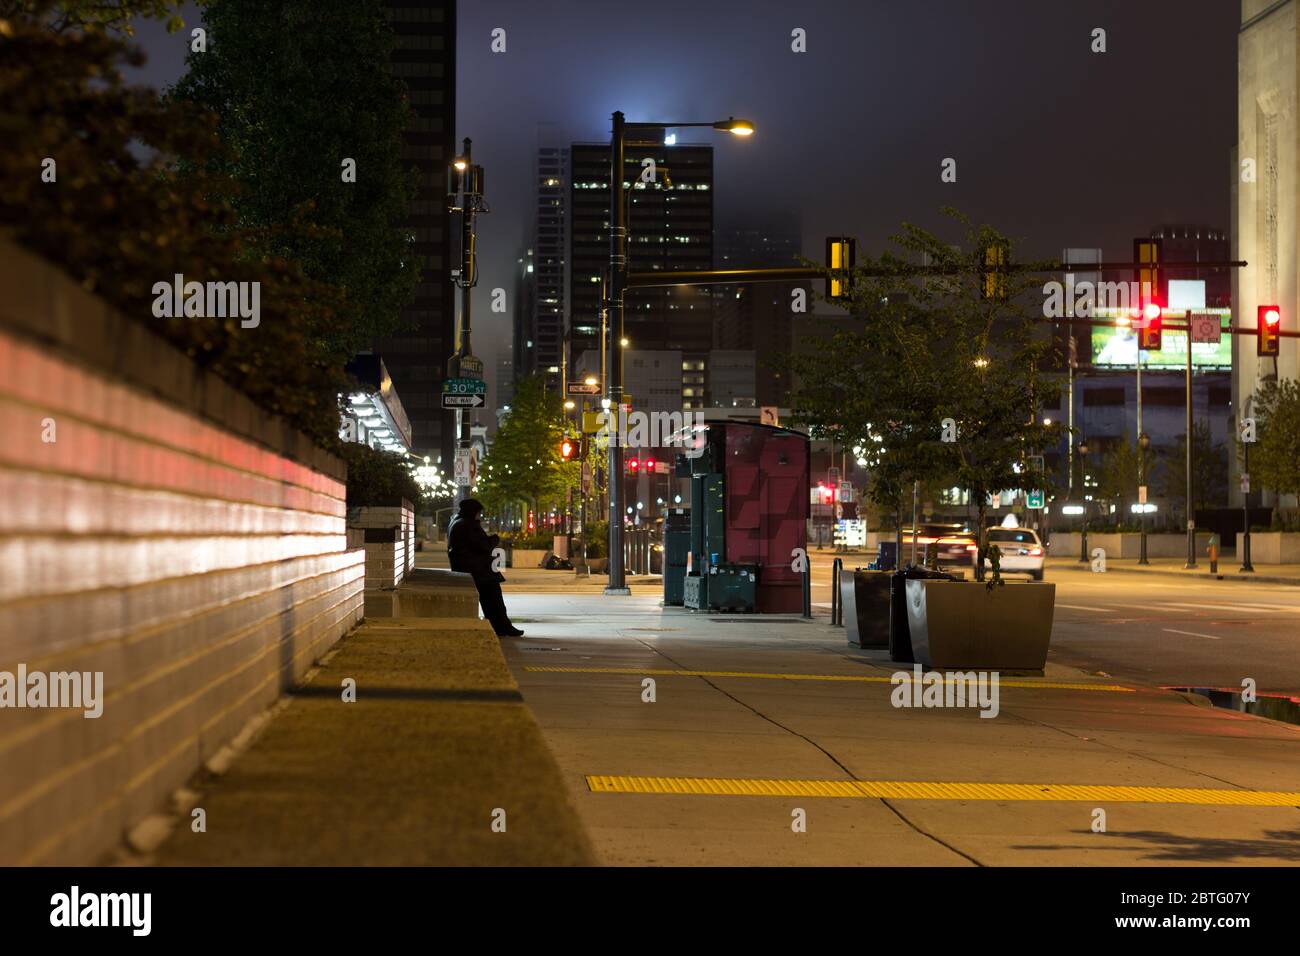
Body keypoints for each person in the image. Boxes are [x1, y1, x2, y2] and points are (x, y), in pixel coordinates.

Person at [447, 498, 524, 637]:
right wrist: (495, 539)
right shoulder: (469, 525)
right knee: (494, 597)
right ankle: (502, 626)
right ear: (473, 512)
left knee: (491, 597)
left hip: (468, 567)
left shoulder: (457, 522)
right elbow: (484, 546)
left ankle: (502, 626)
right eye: (478, 513)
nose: (479, 516)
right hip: (476, 569)